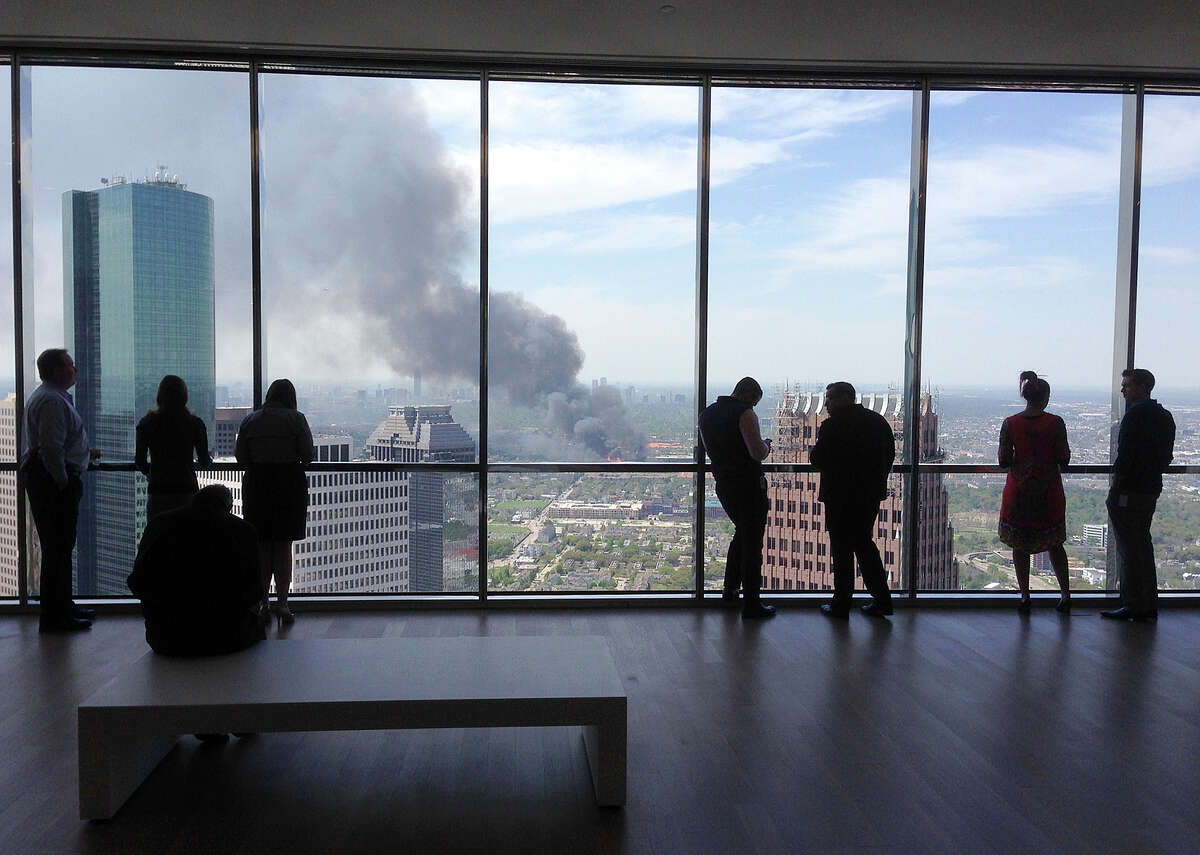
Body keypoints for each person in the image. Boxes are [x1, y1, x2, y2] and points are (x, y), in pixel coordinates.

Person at [127, 485, 264, 656]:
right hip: (230, 636)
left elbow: (138, 581)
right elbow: (255, 591)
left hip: (167, 638)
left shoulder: (159, 524)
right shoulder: (243, 530)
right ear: (228, 507)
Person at [20, 349, 102, 632]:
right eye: (69, 365)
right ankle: (57, 617)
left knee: (59, 550)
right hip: (53, 485)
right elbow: (51, 449)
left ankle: (63, 609)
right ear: (57, 371)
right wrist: (65, 482)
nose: (75, 369)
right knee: (58, 550)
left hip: (48, 481)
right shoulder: (53, 402)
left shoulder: (49, 397)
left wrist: (83, 454)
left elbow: (57, 444)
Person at [811, 381, 895, 619]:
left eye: (829, 399)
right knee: (864, 546)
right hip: (868, 496)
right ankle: (882, 600)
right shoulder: (879, 422)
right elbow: (889, 456)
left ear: (842, 399)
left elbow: (818, 460)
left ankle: (841, 605)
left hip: (839, 497)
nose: (826, 404)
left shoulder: (832, 426)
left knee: (842, 550)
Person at [236, 378, 314, 624]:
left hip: (257, 484)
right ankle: (282, 603)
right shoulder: (296, 419)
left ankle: (262, 603)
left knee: (261, 546)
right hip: (288, 484)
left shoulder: (251, 420)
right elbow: (307, 456)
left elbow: (241, 458)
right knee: (283, 546)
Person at [1102, 368, 1175, 622]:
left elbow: (1125, 457)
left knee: (1129, 549)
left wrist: (1116, 487)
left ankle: (1133, 604)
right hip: (1150, 489)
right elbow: (1166, 458)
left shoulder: (1133, 417)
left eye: (1128, 385)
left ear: (1143, 387)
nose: (1123, 390)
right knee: (1142, 546)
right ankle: (1147, 603)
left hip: (1129, 491)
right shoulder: (1165, 417)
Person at [698, 376, 775, 619]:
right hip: (749, 485)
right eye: (754, 402)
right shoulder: (745, 413)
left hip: (725, 485)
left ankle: (730, 590)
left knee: (742, 535)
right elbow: (757, 452)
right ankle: (751, 603)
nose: (754, 407)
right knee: (752, 545)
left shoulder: (707, 414)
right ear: (751, 396)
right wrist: (767, 445)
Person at [997, 371, 1072, 613]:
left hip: (1019, 492)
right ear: (1046, 397)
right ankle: (1065, 594)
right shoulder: (1055, 423)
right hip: (1048, 492)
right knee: (1055, 544)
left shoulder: (1010, 424)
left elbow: (1004, 460)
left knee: (1020, 546)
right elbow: (1064, 458)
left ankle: (1025, 595)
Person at [135, 375, 213, 520]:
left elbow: (139, 460)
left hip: (158, 491)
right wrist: (209, 459)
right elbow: (203, 461)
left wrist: (149, 473)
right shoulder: (195, 424)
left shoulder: (147, 423)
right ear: (184, 396)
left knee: (159, 538)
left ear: (160, 396)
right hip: (186, 491)